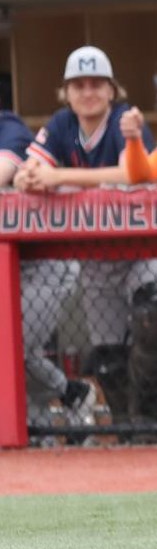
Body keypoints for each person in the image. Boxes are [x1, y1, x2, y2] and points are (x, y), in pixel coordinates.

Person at [17, 47, 157, 438]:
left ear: (111, 90)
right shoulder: (60, 124)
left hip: (146, 248)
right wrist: (33, 177)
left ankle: (150, 417)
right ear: (67, 93)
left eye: (96, 85)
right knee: (107, 362)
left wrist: (59, 179)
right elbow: (27, 173)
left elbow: (130, 175)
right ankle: (130, 430)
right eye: (78, 85)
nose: (87, 92)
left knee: (153, 316)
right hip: (97, 256)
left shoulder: (127, 121)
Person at [0, 107, 96, 440]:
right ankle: (49, 416)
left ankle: (70, 393)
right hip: (9, 267)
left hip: (44, 262)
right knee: (16, 350)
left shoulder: (9, 127)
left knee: (12, 345)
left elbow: (3, 171)